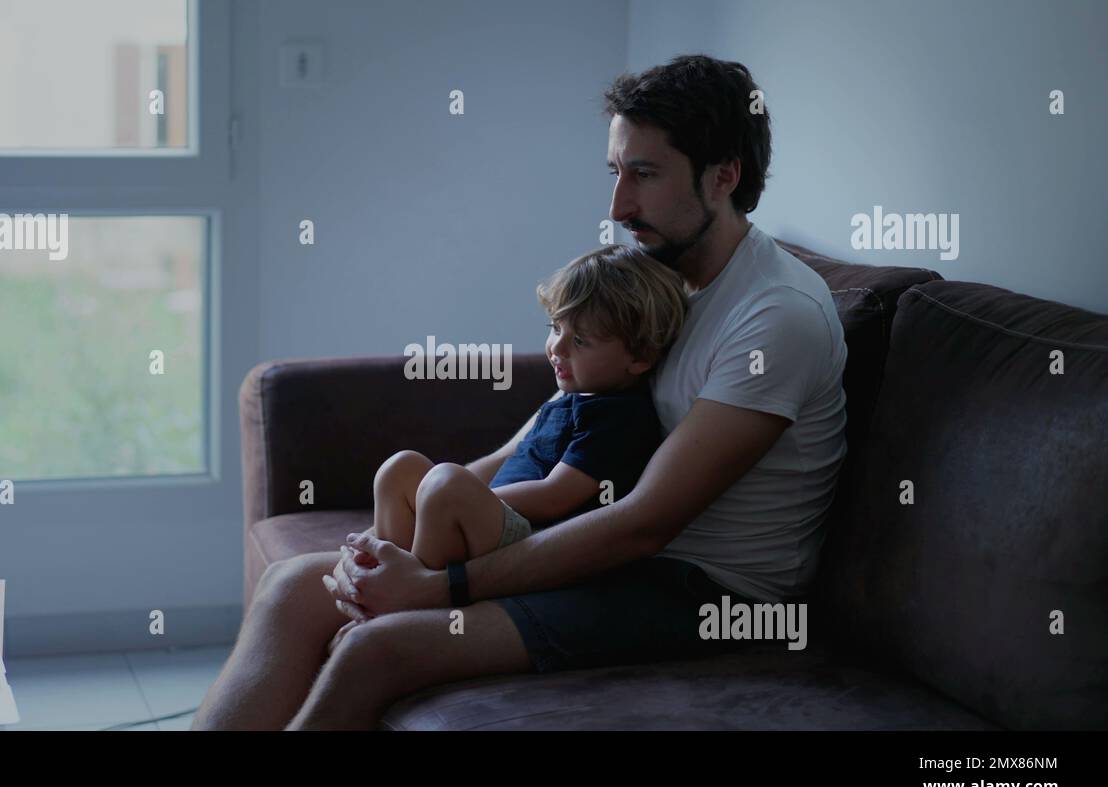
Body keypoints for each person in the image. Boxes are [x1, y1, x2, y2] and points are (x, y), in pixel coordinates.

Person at [193, 54, 848, 730]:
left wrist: (434, 587)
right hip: (618, 560)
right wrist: (396, 540)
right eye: (616, 172)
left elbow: (646, 521)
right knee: (294, 586)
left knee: (377, 645)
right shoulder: (662, 280)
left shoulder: (777, 316)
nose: (618, 206)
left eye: (645, 175)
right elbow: (548, 426)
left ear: (724, 176)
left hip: (701, 593)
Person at [370, 245, 687, 579]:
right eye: (555, 328)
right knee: (400, 468)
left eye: (580, 341)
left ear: (640, 358)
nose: (557, 348)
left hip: (532, 542)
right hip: (495, 522)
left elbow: (555, 496)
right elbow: (500, 461)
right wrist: (443, 495)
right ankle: (383, 565)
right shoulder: (574, 395)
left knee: (447, 485)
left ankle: (411, 591)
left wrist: (473, 498)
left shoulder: (620, 418)